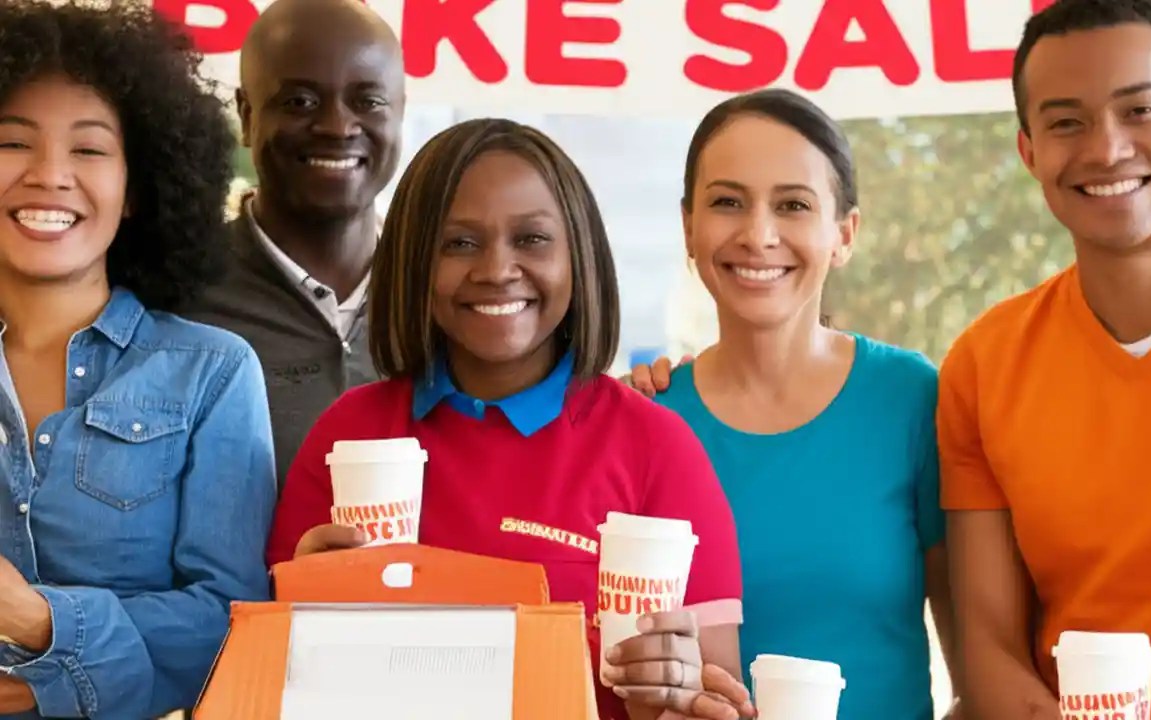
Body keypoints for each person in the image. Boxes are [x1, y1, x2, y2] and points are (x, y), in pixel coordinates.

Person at [266, 118, 752, 720]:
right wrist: (302, 616)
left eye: (531, 240)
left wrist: (677, 694)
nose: (496, 269)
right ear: (414, 261)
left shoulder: (657, 448)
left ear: (580, 256)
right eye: (459, 243)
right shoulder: (349, 436)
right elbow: (270, 687)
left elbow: (718, 698)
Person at [938, 1, 1151, 718]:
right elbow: (988, 648)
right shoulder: (984, 363)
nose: (1106, 148)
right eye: (1067, 122)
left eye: (1140, 110)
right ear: (1030, 152)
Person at [627, 88, 960, 720]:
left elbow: (974, 672)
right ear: (688, 228)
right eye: (727, 202)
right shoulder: (646, 421)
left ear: (844, 233)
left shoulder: (911, 398)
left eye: (793, 205)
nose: (759, 234)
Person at [0, 2, 276, 718]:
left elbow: (228, 621)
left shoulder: (212, 373)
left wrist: (39, 625)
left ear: (137, 189)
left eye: (89, 150)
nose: (51, 176)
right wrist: (103, 653)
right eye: (12, 143)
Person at [181, 0, 403, 490]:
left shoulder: (444, 297)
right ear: (246, 114)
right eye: (300, 102)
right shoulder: (174, 291)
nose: (337, 127)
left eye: (367, 101)